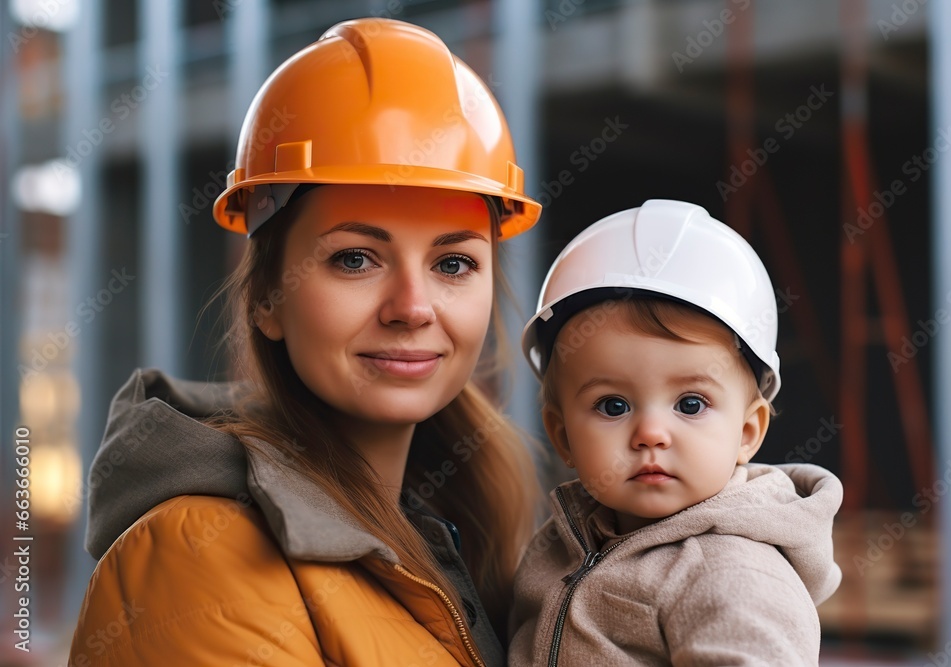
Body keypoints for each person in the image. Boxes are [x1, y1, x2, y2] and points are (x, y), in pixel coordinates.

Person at [70, 18, 542, 667]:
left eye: (453, 263)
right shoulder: (199, 557)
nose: (412, 307)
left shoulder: (463, 538)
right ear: (266, 298)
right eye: (355, 259)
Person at [507, 200, 843, 666]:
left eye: (690, 405)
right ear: (562, 437)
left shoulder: (733, 573)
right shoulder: (555, 550)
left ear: (747, 432)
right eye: (613, 406)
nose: (650, 434)